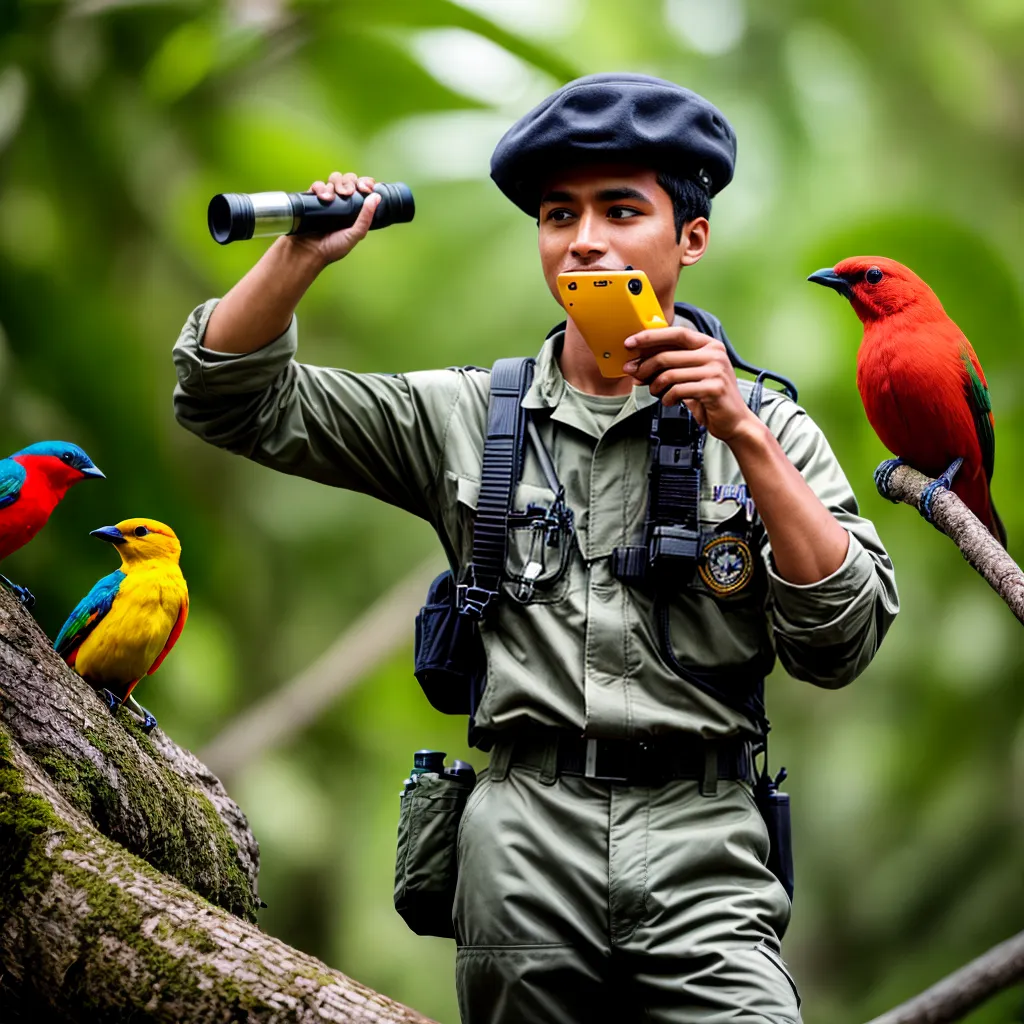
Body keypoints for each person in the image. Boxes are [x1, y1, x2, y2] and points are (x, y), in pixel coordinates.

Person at [173, 72, 898, 1024]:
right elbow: (229, 397)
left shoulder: (768, 425)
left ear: (692, 235)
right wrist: (300, 256)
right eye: (560, 215)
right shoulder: (472, 414)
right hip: (522, 840)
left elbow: (840, 643)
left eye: (621, 209)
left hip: (706, 842)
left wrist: (744, 438)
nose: (585, 239)